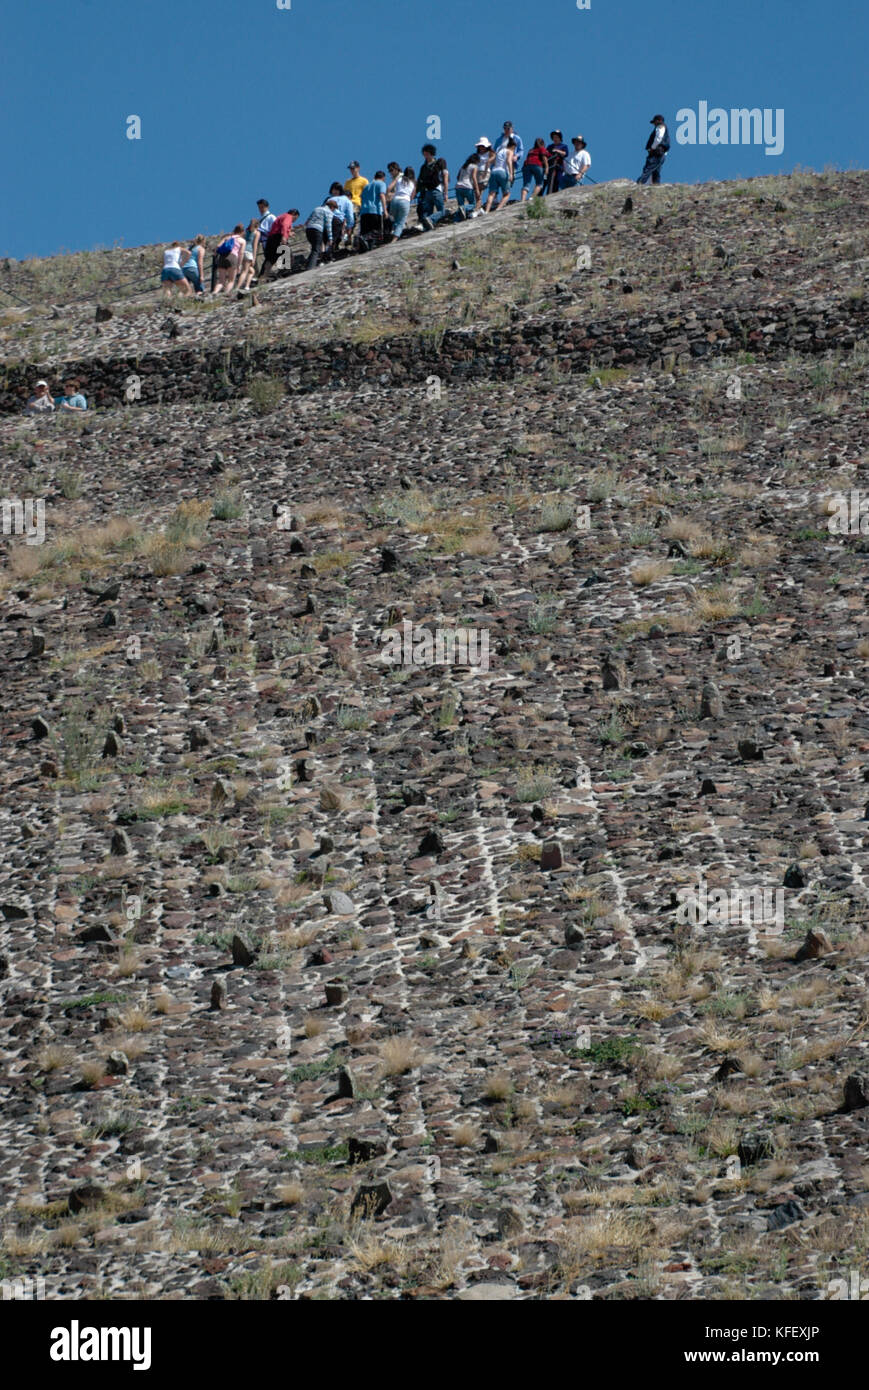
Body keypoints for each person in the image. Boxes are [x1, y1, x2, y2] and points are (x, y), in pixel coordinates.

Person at [259, 209, 299, 280]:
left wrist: (288, 233)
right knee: (287, 253)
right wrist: (284, 236)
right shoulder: (288, 216)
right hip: (277, 238)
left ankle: (262, 276)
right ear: (294, 215)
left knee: (271, 258)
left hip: (271, 239)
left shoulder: (281, 216)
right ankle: (284, 273)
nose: (294, 221)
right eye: (296, 218)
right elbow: (285, 225)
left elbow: (279, 227)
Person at [417, 145, 449, 230]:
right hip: (432, 191)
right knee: (441, 211)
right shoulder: (425, 167)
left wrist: (445, 192)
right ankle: (429, 222)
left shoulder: (437, 164)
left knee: (432, 212)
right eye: (424, 154)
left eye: (427, 154)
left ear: (432, 154)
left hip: (432, 191)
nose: (425, 156)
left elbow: (445, 177)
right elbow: (419, 181)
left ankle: (427, 224)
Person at [304, 199, 338, 269]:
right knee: (316, 249)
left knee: (314, 247)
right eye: (334, 209)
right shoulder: (329, 212)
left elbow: (307, 221)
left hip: (309, 229)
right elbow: (328, 226)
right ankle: (310, 267)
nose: (333, 211)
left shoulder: (317, 208)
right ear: (332, 207)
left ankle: (307, 263)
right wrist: (330, 238)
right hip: (318, 229)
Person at [325, 184, 356, 257]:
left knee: (328, 238)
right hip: (337, 220)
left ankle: (326, 253)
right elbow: (350, 216)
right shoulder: (347, 201)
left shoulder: (330, 199)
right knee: (334, 238)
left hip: (327, 219)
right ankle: (329, 255)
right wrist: (349, 226)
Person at [484, 137, 515, 212]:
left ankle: (486, 211)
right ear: (512, 146)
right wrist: (511, 174)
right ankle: (498, 208)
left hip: (494, 172)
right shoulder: (509, 151)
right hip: (503, 172)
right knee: (506, 194)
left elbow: (488, 162)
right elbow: (508, 161)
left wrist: (486, 172)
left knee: (491, 193)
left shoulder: (498, 152)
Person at [638, 114, 670, 184]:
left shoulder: (660, 126)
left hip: (656, 153)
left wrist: (652, 148)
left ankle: (639, 184)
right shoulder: (663, 128)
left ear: (658, 121)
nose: (654, 124)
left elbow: (658, 139)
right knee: (656, 172)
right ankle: (655, 186)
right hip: (661, 153)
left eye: (654, 122)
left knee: (648, 169)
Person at [213, 225, 245, 293]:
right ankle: (225, 294)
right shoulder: (242, 241)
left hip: (222, 257)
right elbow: (241, 253)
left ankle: (214, 293)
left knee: (221, 281)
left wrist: (215, 255)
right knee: (231, 280)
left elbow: (218, 246)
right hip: (232, 257)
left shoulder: (227, 237)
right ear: (242, 232)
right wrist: (239, 265)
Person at [387, 165, 416, 240]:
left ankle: (392, 230)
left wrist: (388, 195)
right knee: (401, 222)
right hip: (405, 201)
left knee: (393, 218)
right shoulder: (413, 183)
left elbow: (389, 187)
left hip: (395, 200)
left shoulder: (399, 179)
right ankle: (394, 240)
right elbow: (412, 196)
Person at [359, 170, 388, 242]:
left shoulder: (366, 186)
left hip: (364, 212)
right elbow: (382, 195)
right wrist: (385, 210)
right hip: (375, 211)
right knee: (376, 232)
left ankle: (364, 244)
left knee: (365, 233)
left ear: (374, 177)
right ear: (383, 178)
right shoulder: (381, 184)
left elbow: (361, 197)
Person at [494, 121, 524, 187]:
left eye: (508, 128)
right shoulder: (499, 139)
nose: (506, 130)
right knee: (498, 180)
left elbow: (521, 150)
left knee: (510, 180)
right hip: (500, 162)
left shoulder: (516, 138)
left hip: (511, 162)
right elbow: (494, 151)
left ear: (512, 129)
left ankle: (505, 194)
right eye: (505, 128)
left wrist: (516, 156)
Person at [236, 220, 261, 291]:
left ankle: (247, 286)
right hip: (249, 252)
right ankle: (238, 287)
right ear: (257, 226)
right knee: (245, 271)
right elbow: (255, 246)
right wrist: (254, 258)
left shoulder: (246, 232)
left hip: (242, 251)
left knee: (251, 271)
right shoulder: (257, 233)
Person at [343, 162, 369, 231]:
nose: (351, 170)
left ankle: (354, 236)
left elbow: (367, 194)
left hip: (357, 203)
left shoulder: (364, 181)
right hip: (347, 204)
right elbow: (343, 194)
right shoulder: (347, 182)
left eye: (353, 168)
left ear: (358, 168)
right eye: (350, 169)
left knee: (355, 220)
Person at [256, 200, 276, 272]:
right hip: (262, 241)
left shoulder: (271, 217)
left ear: (267, 207)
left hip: (268, 240)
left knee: (269, 258)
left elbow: (274, 229)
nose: (260, 209)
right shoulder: (260, 219)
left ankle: (264, 273)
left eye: (262, 207)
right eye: (259, 207)